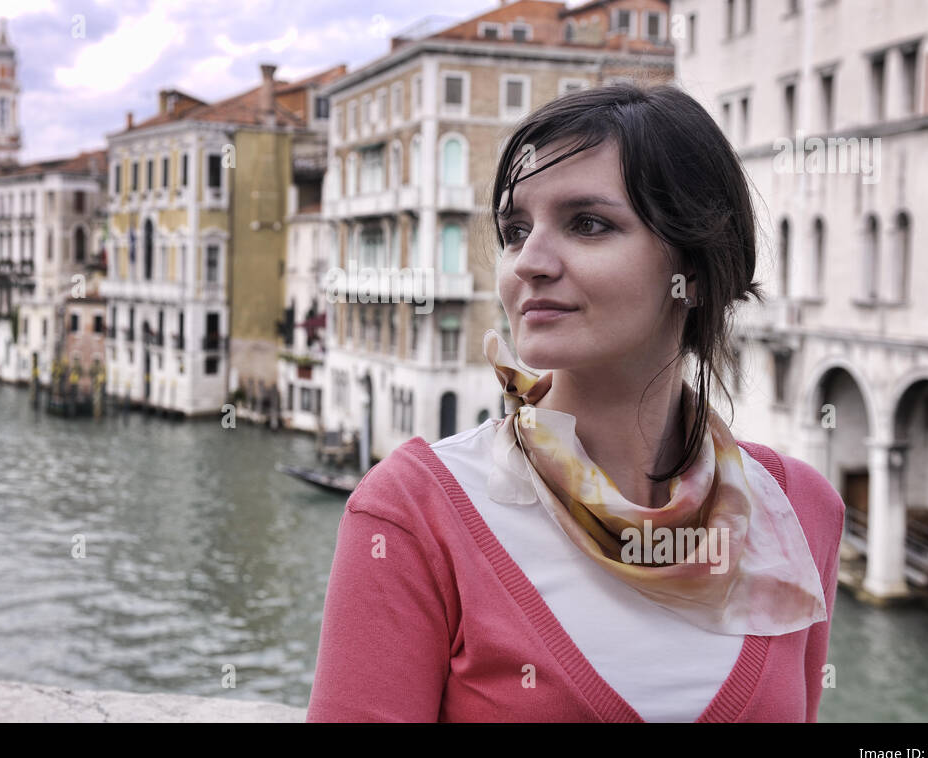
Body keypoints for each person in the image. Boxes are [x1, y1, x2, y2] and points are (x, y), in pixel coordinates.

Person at [305, 82, 844, 722]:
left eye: (587, 224)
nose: (527, 262)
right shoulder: (411, 514)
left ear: (693, 268)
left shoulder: (803, 512)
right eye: (514, 229)